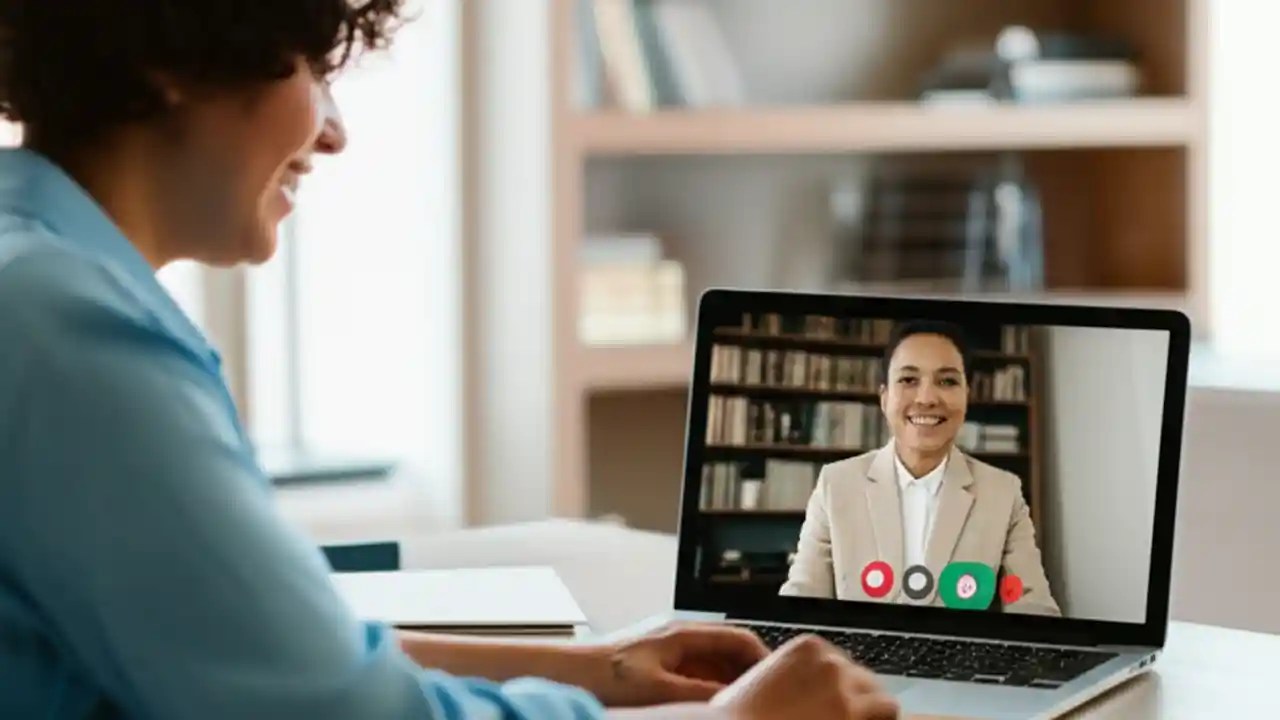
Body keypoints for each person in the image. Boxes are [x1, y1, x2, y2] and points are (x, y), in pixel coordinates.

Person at [0, 2, 900, 719]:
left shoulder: (36, 277)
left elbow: (274, 646)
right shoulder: (77, 336)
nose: (334, 132)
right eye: (313, 69)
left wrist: (604, 672)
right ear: (173, 57)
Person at [780, 321, 1059, 616]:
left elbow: (1033, 606)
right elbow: (801, 601)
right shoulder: (836, 484)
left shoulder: (1003, 493)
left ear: (967, 395)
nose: (926, 398)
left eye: (947, 381)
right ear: (884, 397)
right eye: (909, 380)